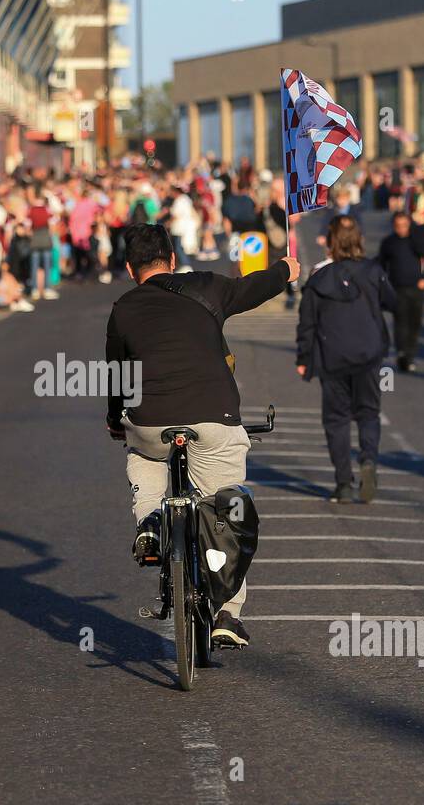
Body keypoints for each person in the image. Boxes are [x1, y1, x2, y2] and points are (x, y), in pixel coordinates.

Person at [105, 223, 298, 650]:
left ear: (129, 269)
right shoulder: (207, 288)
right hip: (214, 416)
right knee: (226, 508)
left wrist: (116, 421)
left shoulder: (123, 308)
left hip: (150, 419)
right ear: (172, 260)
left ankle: (151, 523)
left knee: (144, 458)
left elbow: (116, 377)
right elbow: (253, 287)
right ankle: (228, 613)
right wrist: (285, 269)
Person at [295, 216, 396, 503]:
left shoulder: (319, 276)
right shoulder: (373, 271)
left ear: (330, 241)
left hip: (332, 356)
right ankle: (368, 459)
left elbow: (307, 322)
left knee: (337, 420)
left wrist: (303, 356)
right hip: (368, 353)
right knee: (367, 413)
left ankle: (343, 483)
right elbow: (393, 302)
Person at [377, 211, 424, 372]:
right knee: (400, 322)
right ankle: (402, 353)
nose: (401, 229)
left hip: (417, 288)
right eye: (398, 226)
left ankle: (411, 354)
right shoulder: (389, 242)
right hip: (397, 288)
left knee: (414, 323)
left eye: (404, 225)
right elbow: (381, 264)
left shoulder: (416, 240)